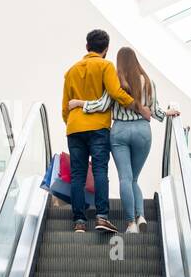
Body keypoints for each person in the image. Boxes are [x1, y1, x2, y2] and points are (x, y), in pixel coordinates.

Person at [70, 46, 180, 234]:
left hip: (120, 131)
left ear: (120, 63)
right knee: (134, 178)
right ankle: (141, 216)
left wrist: (80, 103)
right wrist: (167, 113)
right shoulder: (148, 82)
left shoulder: (116, 81)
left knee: (125, 178)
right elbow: (154, 110)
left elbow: (102, 104)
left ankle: (131, 224)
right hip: (142, 131)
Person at [60, 29, 136, 233]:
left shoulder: (71, 71)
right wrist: (136, 105)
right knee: (100, 170)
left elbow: (65, 108)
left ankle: (79, 222)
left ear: (87, 47)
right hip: (98, 128)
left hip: (74, 127)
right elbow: (115, 92)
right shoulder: (105, 66)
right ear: (106, 49)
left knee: (78, 174)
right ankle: (102, 217)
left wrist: (73, 122)